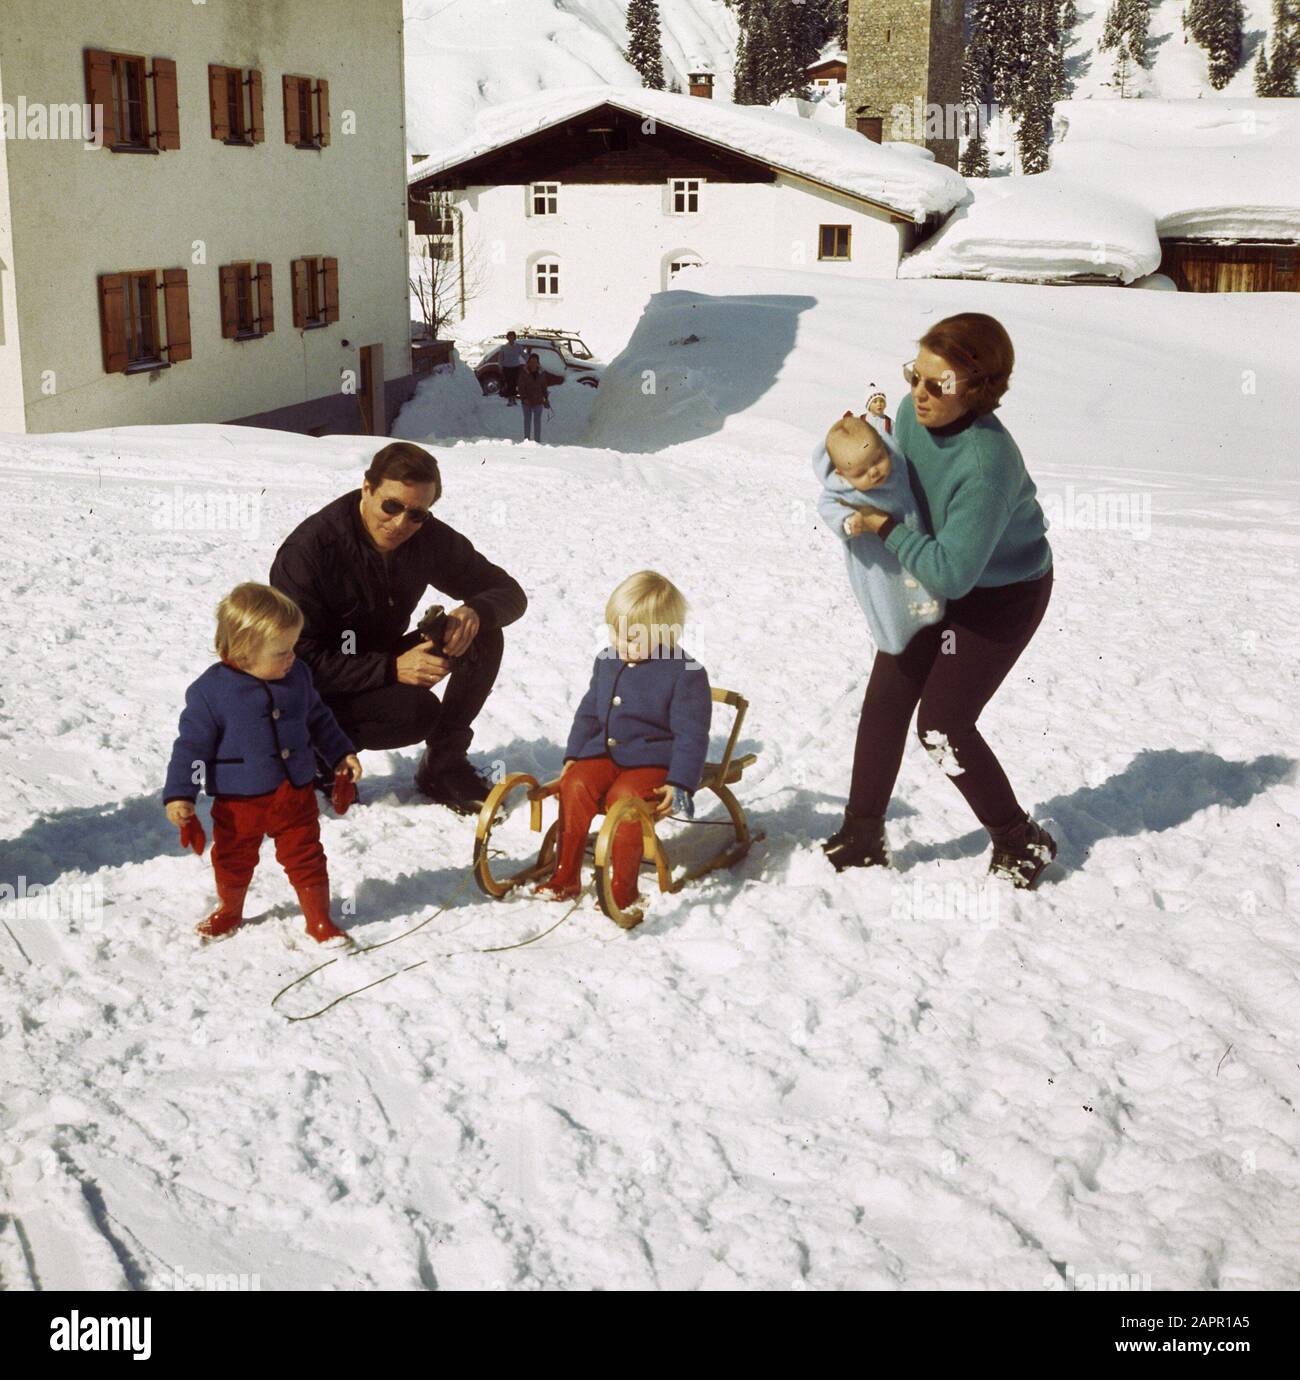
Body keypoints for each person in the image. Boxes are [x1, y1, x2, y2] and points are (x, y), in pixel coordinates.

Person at [822, 313, 1057, 888]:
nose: (919, 395)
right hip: (932, 575)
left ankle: (1020, 839)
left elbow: (953, 572)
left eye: (938, 385)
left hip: (999, 595)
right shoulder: (909, 413)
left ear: (978, 389)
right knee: (885, 698)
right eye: (915, 377)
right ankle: (862, 833)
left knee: (944, 725)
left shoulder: (986, 465)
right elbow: (893, 477)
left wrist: (882, 529)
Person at [268, 442, 527, 815]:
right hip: (313, 689)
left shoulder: (426, 536)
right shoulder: (310, 551)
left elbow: (509, 592)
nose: (401, 523)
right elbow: (294, 660)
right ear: (367, 488)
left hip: (375, 658)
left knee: (481, 632)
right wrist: (391, 669)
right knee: (414, 712)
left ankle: (445, 763)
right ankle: (320, 753)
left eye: (417, 513)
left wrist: (476, 611)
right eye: (391, 506)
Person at [163, 583, 362, 945]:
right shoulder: (211, 693)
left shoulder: (297, 675)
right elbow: (191, 747)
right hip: (240, 801)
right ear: (241, 652)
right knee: (233, 857)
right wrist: (180, 794)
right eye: (281, 652)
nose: (292, 658)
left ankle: (319, 919)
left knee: (306, 855)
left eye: (292, 648)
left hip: (294, 792)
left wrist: (340, 754)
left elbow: (318, 718)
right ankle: (230, 910)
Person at [534, 571, 712, 909]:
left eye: (632, 638)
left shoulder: (685, 673)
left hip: (654, 761)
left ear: (665, 634)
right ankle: (565, 874)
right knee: (575, 783)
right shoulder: (608, 659)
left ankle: (622, 888)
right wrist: (574, 753)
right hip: (606, 751)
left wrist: (680, 781)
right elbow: (588, 710)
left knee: (625, 799)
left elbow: (692, 734)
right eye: (615, 632)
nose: (620, 643)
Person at [814, 410, 945, 655]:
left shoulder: (895, 461)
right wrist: (848, 520)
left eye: (877, 459)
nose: (874, 472)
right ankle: (897, 644)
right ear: (842, 475)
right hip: (878, 565)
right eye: (861, 473)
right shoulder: (841, 491)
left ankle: (932, 625)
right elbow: (827, 507)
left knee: (926, 594)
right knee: (890, 605)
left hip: (912, 543)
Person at [518, 351, 555, 443]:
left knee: (537, 421)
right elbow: (521, 387)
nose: (533, 364)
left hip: (538, 400)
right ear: (528, 362)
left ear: (538, 363)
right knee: (527, 420)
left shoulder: (541, 373)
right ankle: (526, 440)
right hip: (526, 401)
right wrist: (524, 398)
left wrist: (546, 399)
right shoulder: (523, 372)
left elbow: (544, 386)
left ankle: (537, 441)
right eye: (531, 361)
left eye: (535, 362)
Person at [499, 330, 525, 405]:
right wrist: (500, 366)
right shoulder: (503, 347)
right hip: (506, 368)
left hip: (515, 367)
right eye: (509, 336)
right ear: (507, 338)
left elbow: (523, 355)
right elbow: (500, 358)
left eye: (513, 336)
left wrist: (530, 360)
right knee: (509, 383)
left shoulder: (518, 347)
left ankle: (513, 398)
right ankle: (510, 399)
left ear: (514, 338)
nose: (511, 338)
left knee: (514, 383)